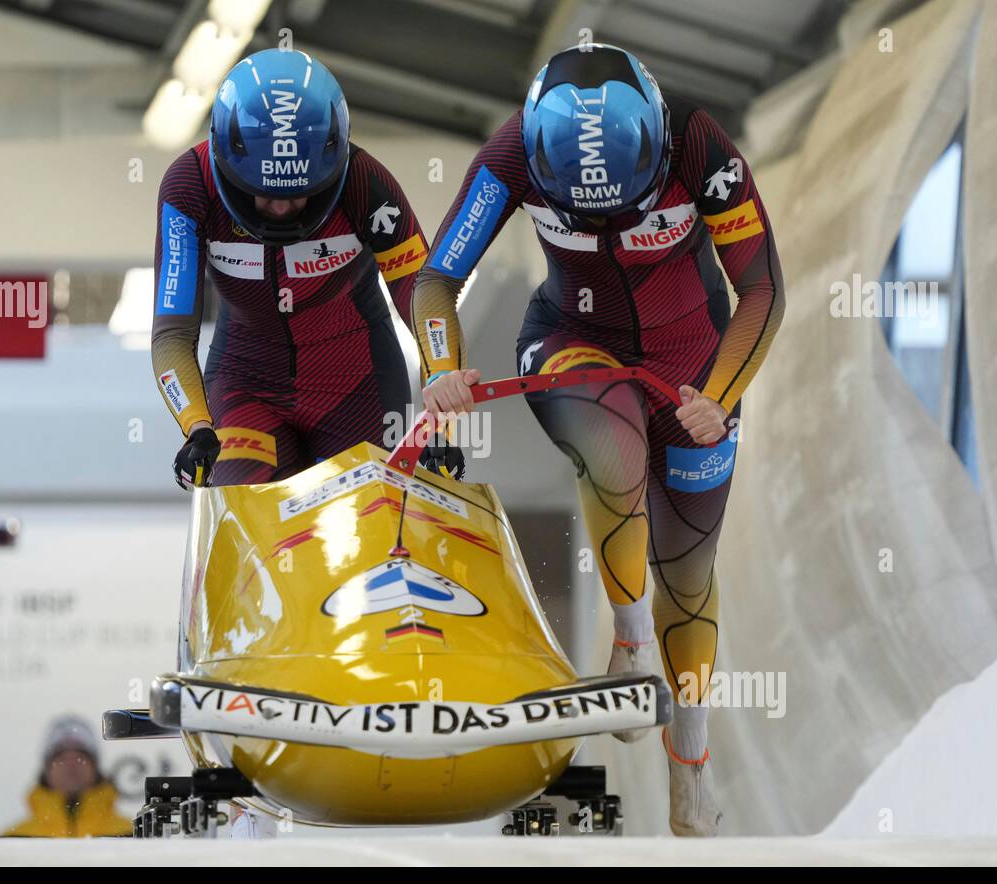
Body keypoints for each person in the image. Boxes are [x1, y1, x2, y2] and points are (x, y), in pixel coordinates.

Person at [412, 44, 785, 836]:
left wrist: (719, 398)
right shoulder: (513, 151)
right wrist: (442, 363)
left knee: (688, 575)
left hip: (695, 369)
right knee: (613, 439)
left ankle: (692, 759)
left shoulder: (699, 146)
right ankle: (629, 638)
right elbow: (437, 281)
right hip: (570, 341)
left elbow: (761, 290)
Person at [152, 48, 428, 488]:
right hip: (246, 383)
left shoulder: (366, 183)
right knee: (246, 513)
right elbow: (171, 333)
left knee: (360, 530)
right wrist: (197, 426)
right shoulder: (189, 187)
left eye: (300, 194)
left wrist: (443, 403)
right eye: (262, 193)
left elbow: (424, 297)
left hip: (355, 383)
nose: (280, 209)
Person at [1, 715, 132, 837]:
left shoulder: (132, 835)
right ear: (47, 770)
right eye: (61, 757)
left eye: (80, 755)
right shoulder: (11, 839)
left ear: (95, 767)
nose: (71, 764)